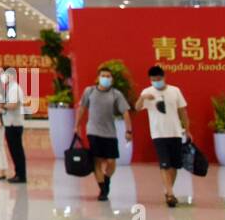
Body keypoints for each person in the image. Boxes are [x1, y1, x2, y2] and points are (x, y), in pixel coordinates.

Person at [135, 65, 190, 208]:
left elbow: (182, 111)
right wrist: (142, 98)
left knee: (174, 165)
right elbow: (137, 108)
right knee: (164, 164)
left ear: (164, 77)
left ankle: (168, 190)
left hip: (175, 132)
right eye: (153, 80)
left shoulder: (175, 91)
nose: (156, 82)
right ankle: (171, 194)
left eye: (158, 79)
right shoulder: (147, 92)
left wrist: (187, 129)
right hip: (158, 134)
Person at [75, 63, 132, 201]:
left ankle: (106, 180)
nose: (105, 78)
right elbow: (82, 108)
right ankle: (102, 189)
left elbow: (125, 112)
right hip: (93, 131)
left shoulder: (116, 94)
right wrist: (76, 125)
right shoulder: (90, 91)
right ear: (98, 78)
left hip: (110, 133)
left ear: (112, 79)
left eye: (108, 76)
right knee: (97, 160)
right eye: (103, 76)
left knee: (111, 162)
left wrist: (128, 130)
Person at [1, 66, 27, 184]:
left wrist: (2, 106)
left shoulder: (14, 88)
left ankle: (21, 175)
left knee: (17, 150)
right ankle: (18, 173)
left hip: (14, 124)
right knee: (13, 150)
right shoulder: (9, 88)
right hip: (10, 123)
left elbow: (13, 105)